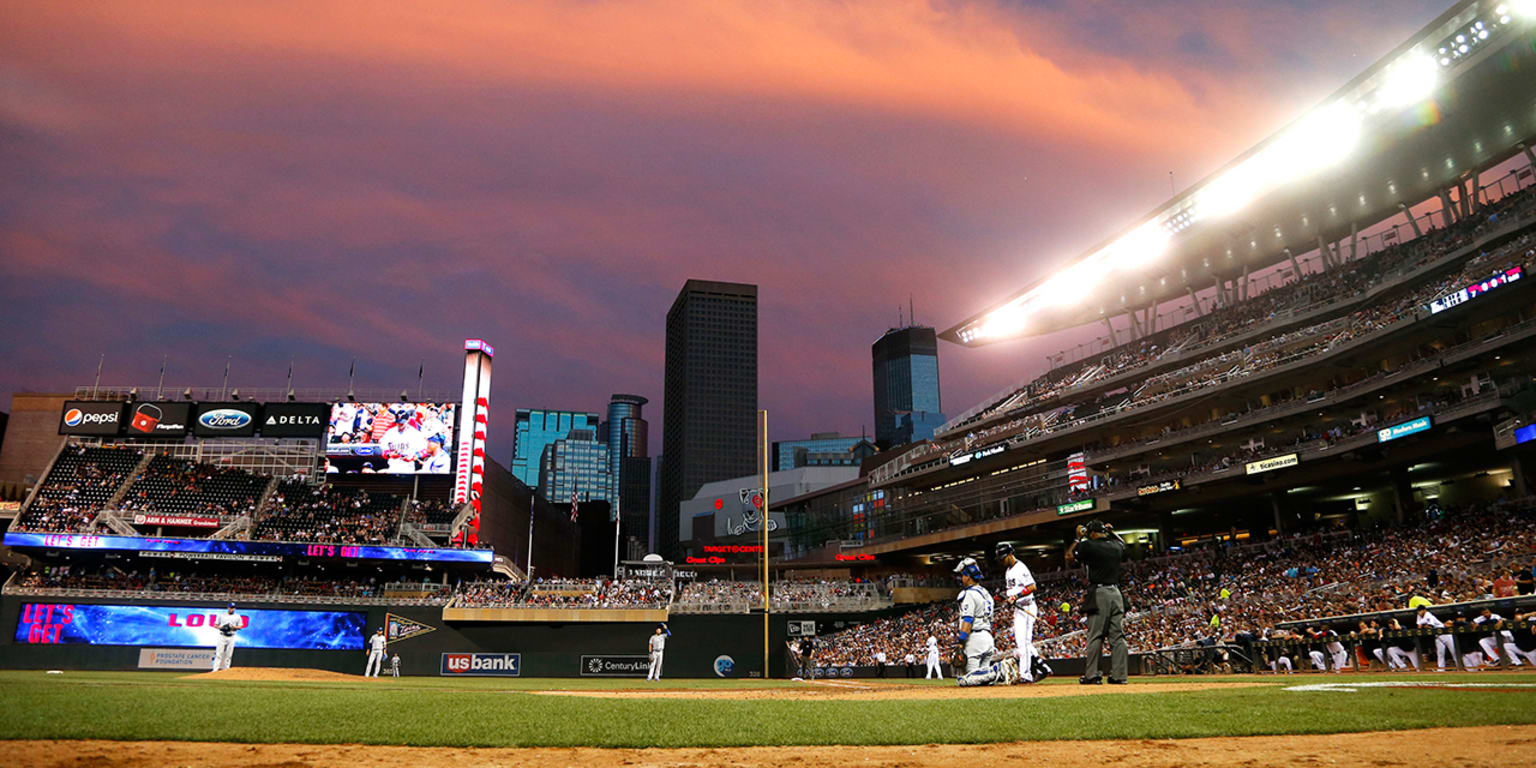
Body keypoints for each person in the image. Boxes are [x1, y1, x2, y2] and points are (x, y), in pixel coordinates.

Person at [1067, 520, 1127, 684]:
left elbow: (1069, 556)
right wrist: (1112, 532)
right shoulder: (1115, 546)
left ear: (1092, 533)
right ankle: (1119, 676)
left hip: (1100, 592)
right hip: (1116, 593)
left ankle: (1093, 675)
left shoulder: (1089, 545)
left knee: (1095, 636)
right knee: (1118, 637)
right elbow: (1123, 545)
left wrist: (1078, 538)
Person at [952, 557, 1014, 687]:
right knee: (983, 682)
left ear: (968, 577)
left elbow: (968, 620)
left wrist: (961, 642)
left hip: (974, 639)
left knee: (968, 680)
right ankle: (994, 673)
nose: (962, 578)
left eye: (963, 575)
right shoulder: (986, 593)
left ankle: (999, 671)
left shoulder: (968, 594)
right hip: (987, 637)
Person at [996, 542, 1045, 684]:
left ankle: (1026, 674)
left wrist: (1016, 596)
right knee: (1020, 642)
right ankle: (1041, 667)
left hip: (1028, 607)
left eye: (1003, 557)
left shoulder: (1020, 567)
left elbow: (1032, 586)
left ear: (1010, 555)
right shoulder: (1008, 571)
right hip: (1019, 608)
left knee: (1025, 642)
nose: (1002, 560)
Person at [1416, 605, 1457, 671]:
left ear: (1424, 610)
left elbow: (1430, 626)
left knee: (1454, 652)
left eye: (1420, 611)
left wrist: (1423, 626)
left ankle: (1460, 666)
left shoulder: (1428, 615)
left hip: (1445, 634)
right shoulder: (1420, 617)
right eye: (1418, 611)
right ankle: (1441, 669)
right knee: (1440, 653)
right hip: (1437, 636)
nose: (1419, 613)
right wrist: (1423, 625)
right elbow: (1419, 625)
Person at [210, 603, 243, 672]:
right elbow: (215, 625)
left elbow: (240, 626)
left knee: (229, 654)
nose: (232, 609)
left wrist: (233, 627)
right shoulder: (222, 616)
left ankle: (226, 670)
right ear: (228, 608)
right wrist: (221, 627)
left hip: (232, 636)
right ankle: (215, 670)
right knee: (219, 653)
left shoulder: (237, 616)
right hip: (222, 636)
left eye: (233, 608)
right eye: (230, 607)